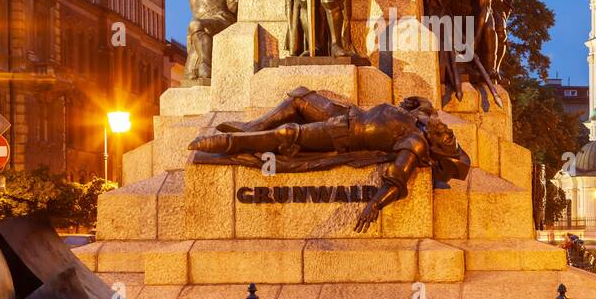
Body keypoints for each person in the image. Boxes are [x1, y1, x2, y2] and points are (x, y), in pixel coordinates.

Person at [189, 89, 470, 232]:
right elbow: (422, 103)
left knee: (289, 134)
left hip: (342, 134)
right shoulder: (425, 120)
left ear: (435, 153)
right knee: (299, 97)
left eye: (447, 142)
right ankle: (252, 127)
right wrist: (414, 101)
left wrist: (375, 204)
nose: (447, 133)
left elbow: (396, 180)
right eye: (450, 136)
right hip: (345, 113)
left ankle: (229, 144)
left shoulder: (415, 144)